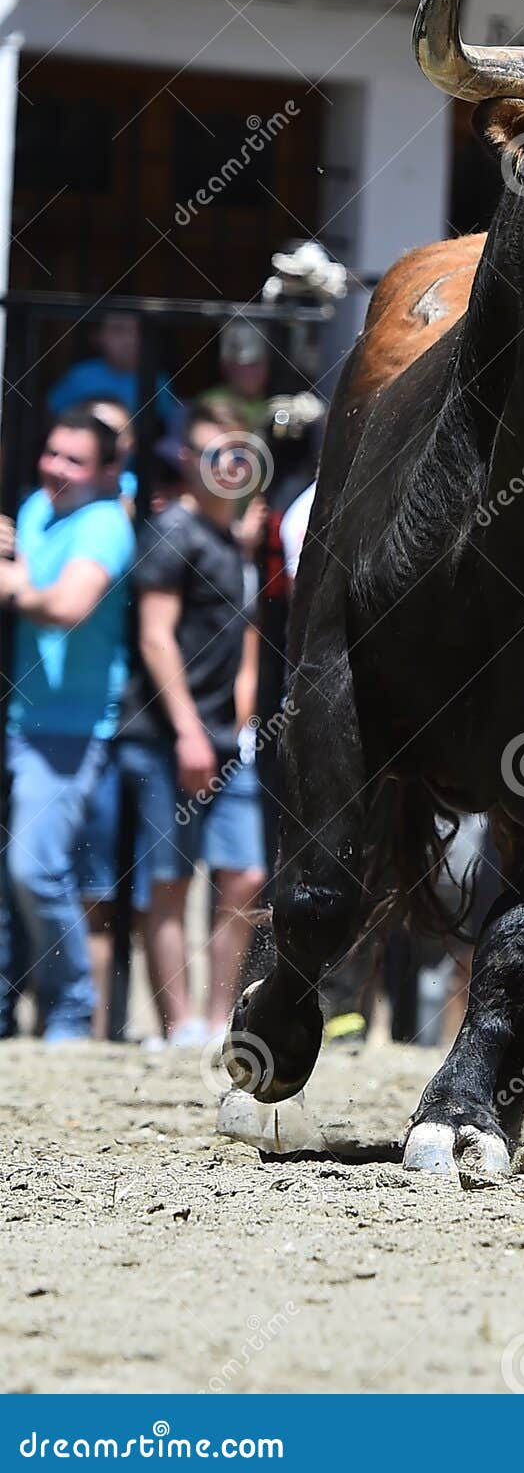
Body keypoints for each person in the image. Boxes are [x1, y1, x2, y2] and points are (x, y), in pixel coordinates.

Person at [116, 401, 268, 1047]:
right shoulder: (172, 533)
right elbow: (154, 639)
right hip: (168, 737)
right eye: (212, 452)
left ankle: (217, 1021)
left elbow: (248, 643)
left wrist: (240, 724)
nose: (226, 465)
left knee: (246, 876)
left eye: (236, 452)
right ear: (188, 460)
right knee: (171, 881)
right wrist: (188, 731)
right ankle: (178, 1026)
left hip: (229, 745)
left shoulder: (238, 543)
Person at [0, 410, 135, 1041]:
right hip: (22, 719)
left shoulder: (106, 523)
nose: (56, 469)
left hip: (71, 729)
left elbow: (65, 607)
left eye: (75, 461)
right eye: (52, 453)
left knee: (35, 869)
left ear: (110, 472)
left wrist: (10, 583)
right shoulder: (34, 509)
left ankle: (73, 1011)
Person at [46, 312, 177, 424]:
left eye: (138, 331)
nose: (130, 339)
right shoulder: (79, 375)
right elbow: (52, 415)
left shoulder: (157, 379)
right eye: (118, 330)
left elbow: (167, 427)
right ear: (97, 336)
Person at [200, 320, 273, 434]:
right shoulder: (211, 401)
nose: (256, 372)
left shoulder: (268, 402)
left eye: (260, 364)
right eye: (249, 366)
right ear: (227, 367)